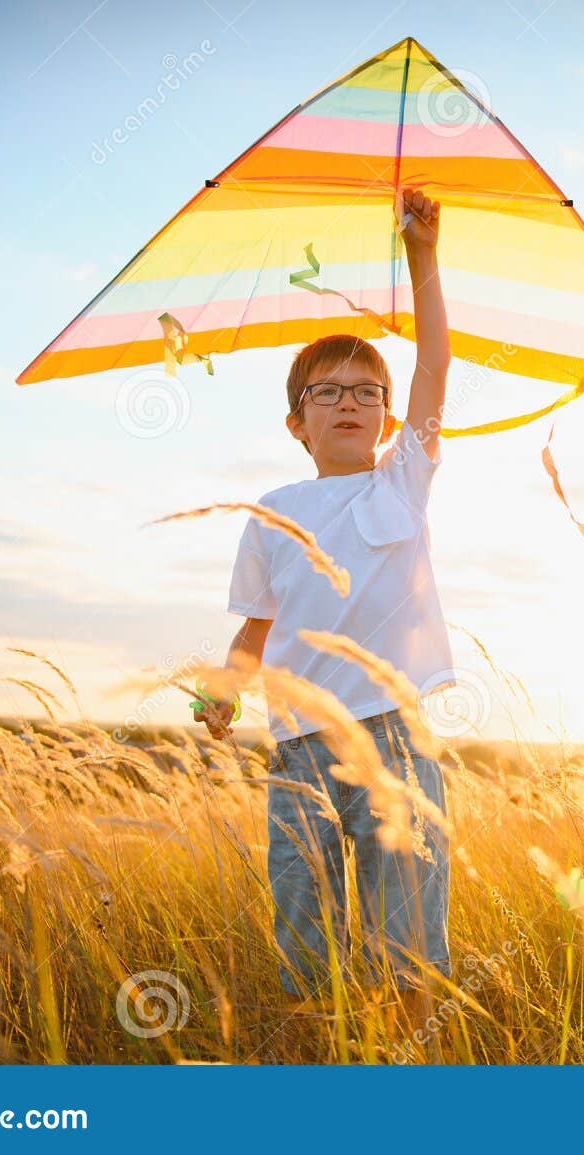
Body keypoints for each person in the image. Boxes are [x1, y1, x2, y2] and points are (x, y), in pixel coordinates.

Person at [195, 188, 452, 1015]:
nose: (350, 403)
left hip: (393, 736)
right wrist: (225, 687)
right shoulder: (274, 512)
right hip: (298, 742)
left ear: (388, 418)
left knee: (406, 932)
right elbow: (259, 621)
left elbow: (435, 363)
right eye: (328, 392)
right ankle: (316, 1058)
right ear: (295, 422)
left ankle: (411, 1070)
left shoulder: (402, 482)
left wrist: (422, 255)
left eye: (367, 392)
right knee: (305, 929)